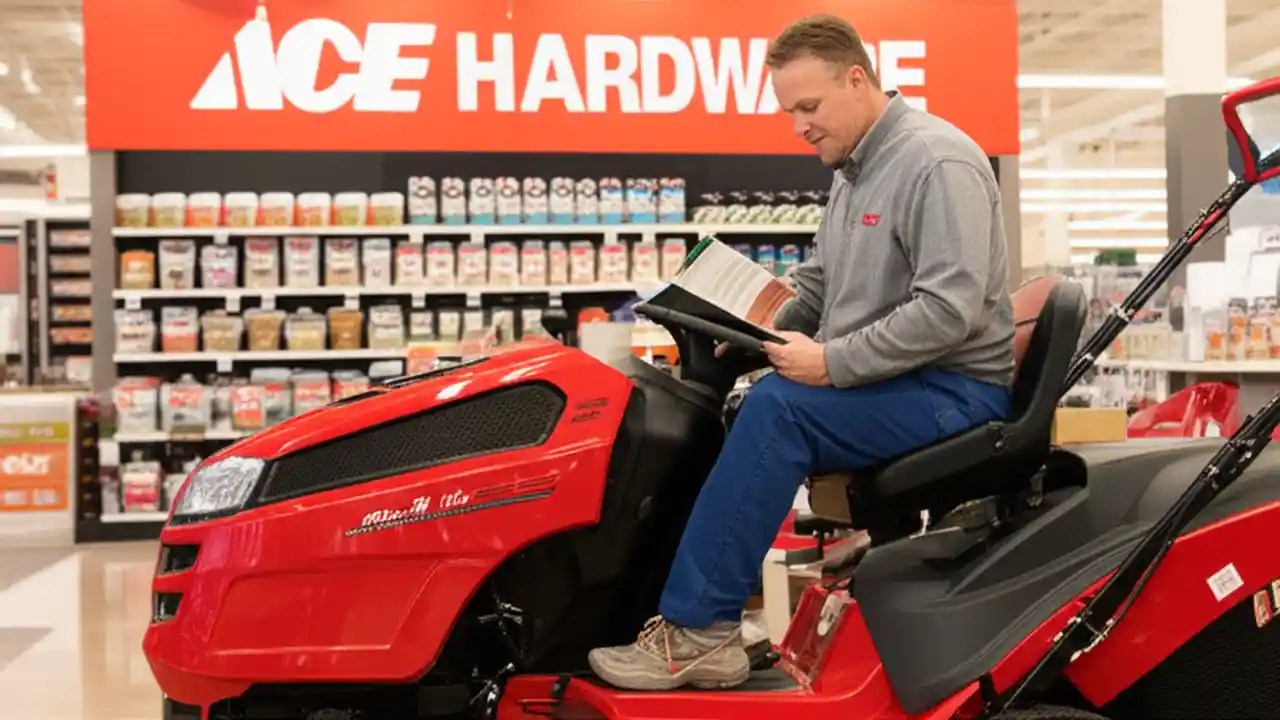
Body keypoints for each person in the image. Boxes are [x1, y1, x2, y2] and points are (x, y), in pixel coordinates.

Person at [588, 13, 1016, 691]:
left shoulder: (937, 162)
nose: (799, 126)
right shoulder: (853, 170)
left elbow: (948, 311)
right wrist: (755, 330)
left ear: (856, 79)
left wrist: (831, 362)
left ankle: (700, 631)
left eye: (808, 106)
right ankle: (672, 611)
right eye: (790, 111)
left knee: (779, 411)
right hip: (898, 383)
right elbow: (821, 283)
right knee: (740, 406)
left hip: (952, 391)